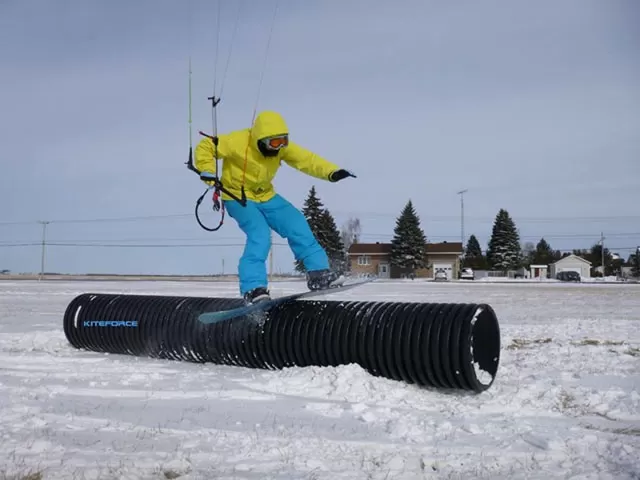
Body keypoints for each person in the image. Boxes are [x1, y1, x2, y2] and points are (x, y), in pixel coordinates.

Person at [194, 110, 355, 304]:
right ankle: (254, 288)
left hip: (266, 195)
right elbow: (206, 146)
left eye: (283, 141)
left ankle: (318, 274)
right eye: (274, 143)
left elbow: (307, 159)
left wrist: (332, 172)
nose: (278, 147)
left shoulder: (281, 148)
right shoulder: (236, 141)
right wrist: (208, 170)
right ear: (260, 139)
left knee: (296, 223)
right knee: (260, 235)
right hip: (237, 196)